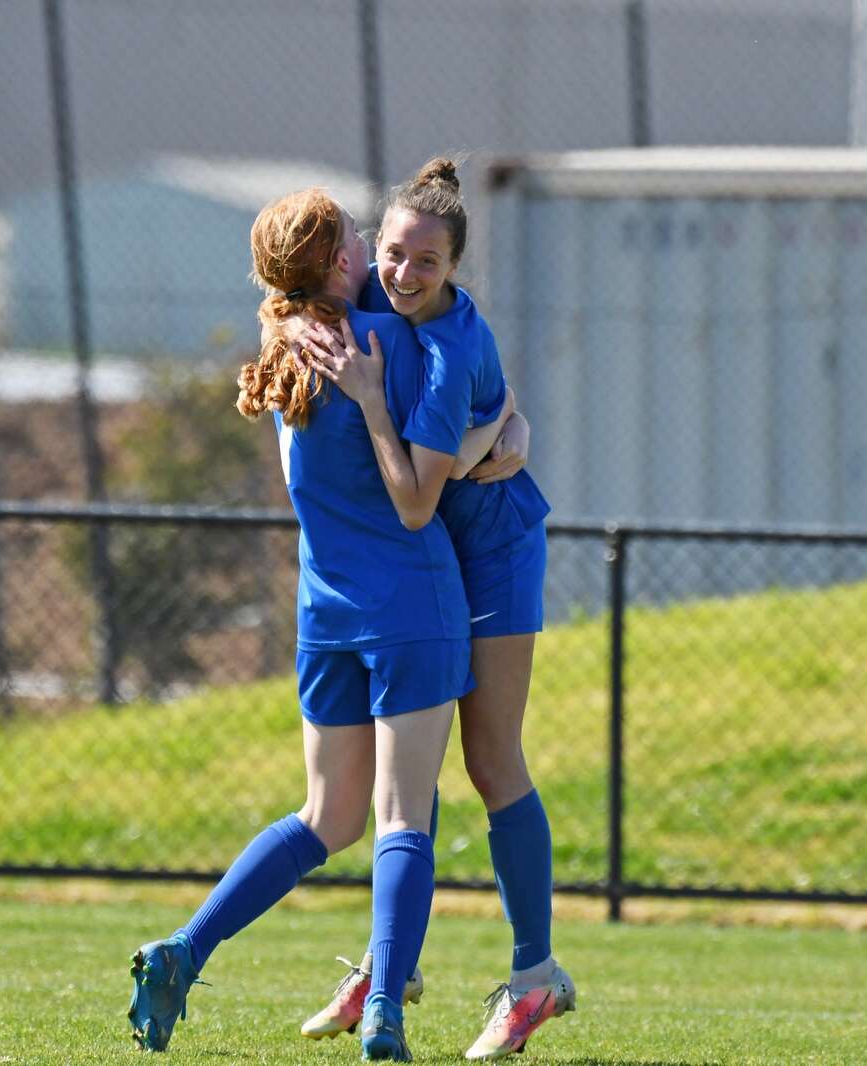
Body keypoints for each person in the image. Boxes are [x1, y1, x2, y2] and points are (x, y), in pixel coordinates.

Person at [127, 186, 493, 1061]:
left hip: (325, 611)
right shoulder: (384, 338)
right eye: (360, 241)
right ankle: (384, 1015)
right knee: (405, 813)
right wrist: (502, 427)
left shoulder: (281, 347)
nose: (378, 253)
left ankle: (188, 946)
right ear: (336, 265)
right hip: (411, 603)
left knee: (327, 818)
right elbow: (448, 390)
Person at [298, 157, 572, 1062]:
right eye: (391, 255)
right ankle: (390, 966)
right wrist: (509, 420)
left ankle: (535, 980)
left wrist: (499, 426)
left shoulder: (453, 337)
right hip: (422, 564)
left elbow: (425, 485)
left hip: (487, 552)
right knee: (398, 789)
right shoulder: (368, 301)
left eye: (426, 262)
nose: (403, 274)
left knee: (492, 762)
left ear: (456, 269)